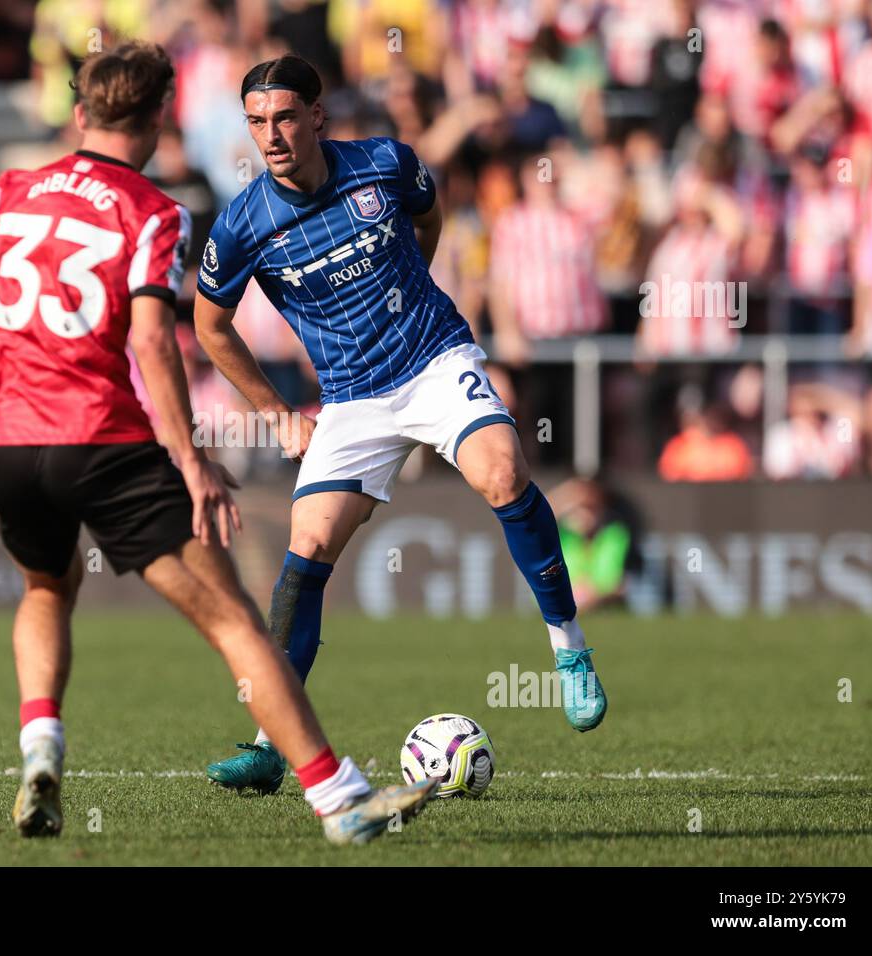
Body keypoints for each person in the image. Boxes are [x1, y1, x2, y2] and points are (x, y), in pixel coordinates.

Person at [0, 42, 437, 844]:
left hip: (10, 444)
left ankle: (42, 748)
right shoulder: (154, 212)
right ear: (159, 117)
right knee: (236, 625)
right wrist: (191, 462)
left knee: (46, 591)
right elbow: (154, 341)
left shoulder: (12, 191)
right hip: (103, 442)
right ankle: (341, 801)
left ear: (81, 114)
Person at [194, 54, 607, 795]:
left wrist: (415, 291)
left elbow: (428, 216)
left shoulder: (386, 163)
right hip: (352, 399)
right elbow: (210, 325)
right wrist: (277, 414)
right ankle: (267, 744)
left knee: (503, 472)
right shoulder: (243, 222)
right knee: (309, 542)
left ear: (318, 116)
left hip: (434, 359)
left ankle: (568, 648)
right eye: (257, 122)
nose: (272, 135)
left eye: (285, 117)